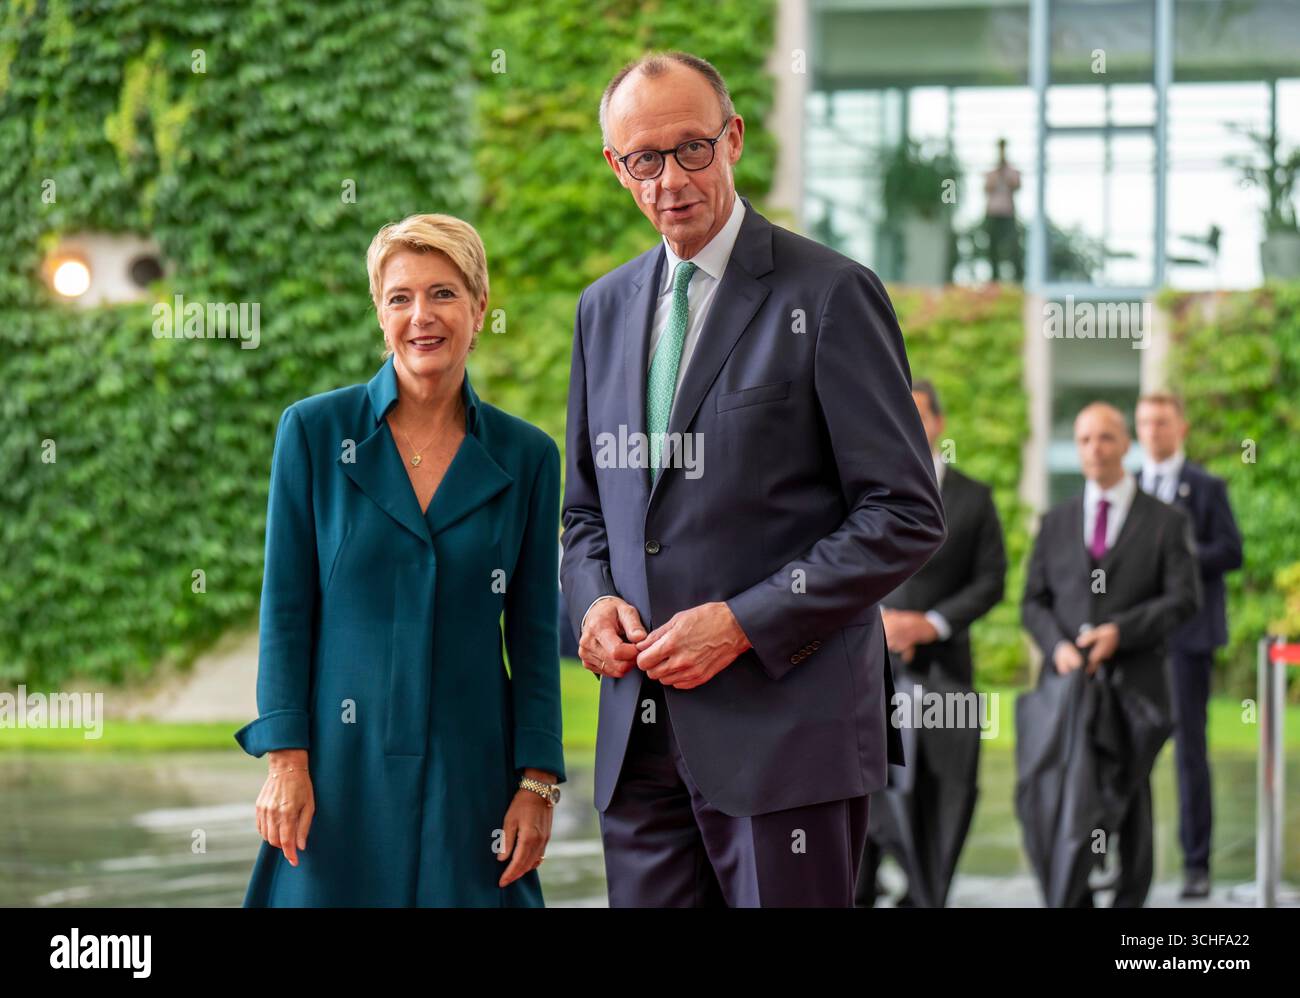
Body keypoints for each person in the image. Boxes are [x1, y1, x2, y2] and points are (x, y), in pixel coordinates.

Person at [561, 51, 946, 907]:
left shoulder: (834, 293)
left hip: (787, 744)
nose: (671, 179)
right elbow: (587, 511)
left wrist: (742, 623)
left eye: (692, 148)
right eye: (644, 159)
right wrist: (592, 603)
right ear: (617, 168)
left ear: (732, 139)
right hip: (640, 745)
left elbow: (904, 512)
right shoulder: (603, 310)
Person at [233, 214, 565, 906]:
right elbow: (286, 611)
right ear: (379, 314)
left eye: (443, 294)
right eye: (400, 297)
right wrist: (285, 761)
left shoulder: (527, 456)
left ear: (479, 308)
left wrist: (537, 784)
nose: (422, 316)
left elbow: (533, 638)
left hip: (470, 774)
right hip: (335, 773)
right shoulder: (314, 433)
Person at [1018, 402, 1200, 907]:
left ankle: (1128, 905)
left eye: (1105, 438)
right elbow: (1032, 601)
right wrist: (1057, 646)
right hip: (1070, 690)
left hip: (1136, 691)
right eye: (1083, 440)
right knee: (1067, 797)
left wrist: (1122, 631)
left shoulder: (1165, 520)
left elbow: (1185, 599)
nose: (1094, 449)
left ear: (1125, 444)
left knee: (1132, 800)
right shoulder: (1054, 522)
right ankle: (1071, 896)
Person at [858, 379, 1006, 908]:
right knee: (865, 788)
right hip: (868, 671)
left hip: (945, 674)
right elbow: (838, 568)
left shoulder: (974, 498)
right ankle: (861, 885)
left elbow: (991, 581)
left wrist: (931, 624)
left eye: (920, 415)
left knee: (941, 794)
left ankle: (926, 895)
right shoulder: (863, 492)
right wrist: (877, 622)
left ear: (939, 423)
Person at [1135, 391, 1242, 899]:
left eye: (1162, 423)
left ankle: (1196, 863)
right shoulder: (1129, 487)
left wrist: (1178, 556)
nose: (1153, 432)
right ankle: (1124, 860)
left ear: (1182, 427)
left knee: (1188, 756)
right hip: (1137, 643)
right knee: (1127, 753)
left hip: (1186, 641)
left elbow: (1231, 550)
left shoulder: (1205, 486)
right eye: (1145, 423)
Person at [983, 138, 1022, 282]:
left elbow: (1016, 186)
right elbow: (987, 189)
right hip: (993, 213)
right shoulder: (992, 172)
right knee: (992, 247)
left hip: (1008, 213)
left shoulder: (1012, 171)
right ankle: (994, 278)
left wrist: (1005, 174)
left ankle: (1017, 278)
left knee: (1012, 246)